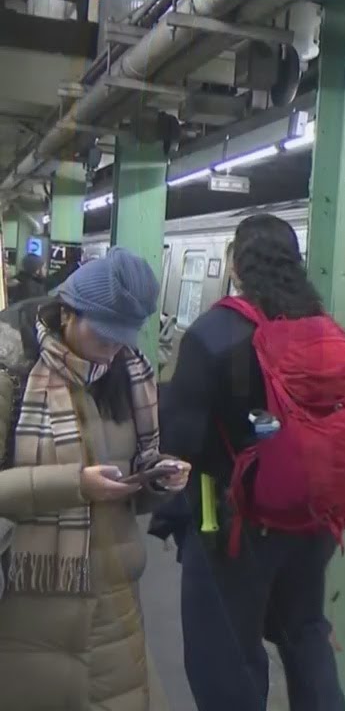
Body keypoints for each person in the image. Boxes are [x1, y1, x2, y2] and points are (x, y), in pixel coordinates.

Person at [160, 213, 345, 711]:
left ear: (235, 264)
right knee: (306, 633)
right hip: (312, 522)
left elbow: (180, 438)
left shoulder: (216, 331)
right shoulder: (324, 329)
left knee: (227, 653)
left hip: (233, 522)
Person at [0, 247, 190, 710]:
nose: (113, 350)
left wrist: (155, 480)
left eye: (121, 339)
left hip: (114, 592)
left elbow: (132, 475)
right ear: (67, 313)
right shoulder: (14, 375)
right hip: (30, 601)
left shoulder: (130, 375)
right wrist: (75, 485)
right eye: (103, 336)